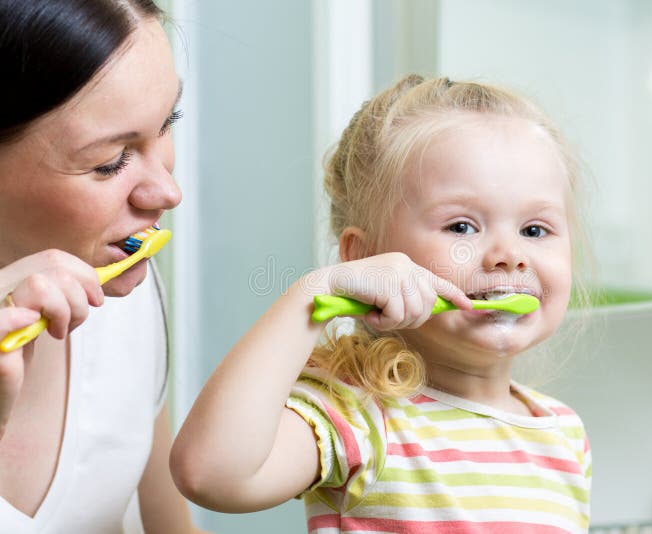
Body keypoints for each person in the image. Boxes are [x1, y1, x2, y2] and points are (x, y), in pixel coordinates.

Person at [171, 75, 592, 532]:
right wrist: (316, 294)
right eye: (462, 227)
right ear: (366, 259)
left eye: (535, 230)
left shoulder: (563, 436)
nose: (509, 255)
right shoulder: (359, 415)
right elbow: (210, 474)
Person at [0, 1, 204, 532]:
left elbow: (171, 524)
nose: (168, 191)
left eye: (168, 123)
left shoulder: (123, 289)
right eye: (110, 161)